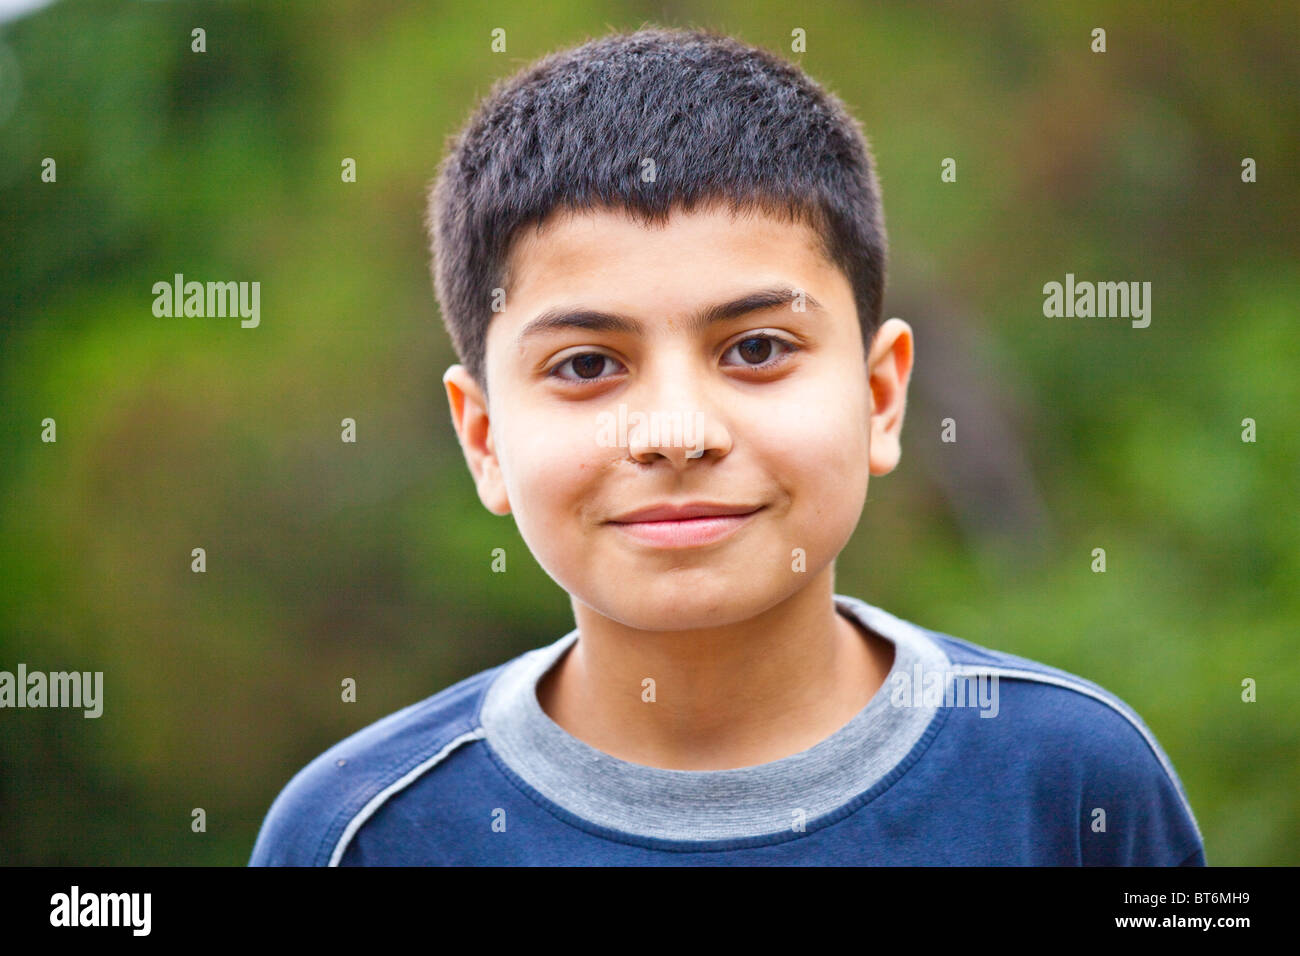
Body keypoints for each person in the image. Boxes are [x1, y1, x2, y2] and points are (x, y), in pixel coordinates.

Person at [249, 25, 1204, 866]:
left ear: (879, 397)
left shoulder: (1072, 785)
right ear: (485, 436)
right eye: (586, 365)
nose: (677, 435)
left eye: (755, 349)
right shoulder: (361, 834)